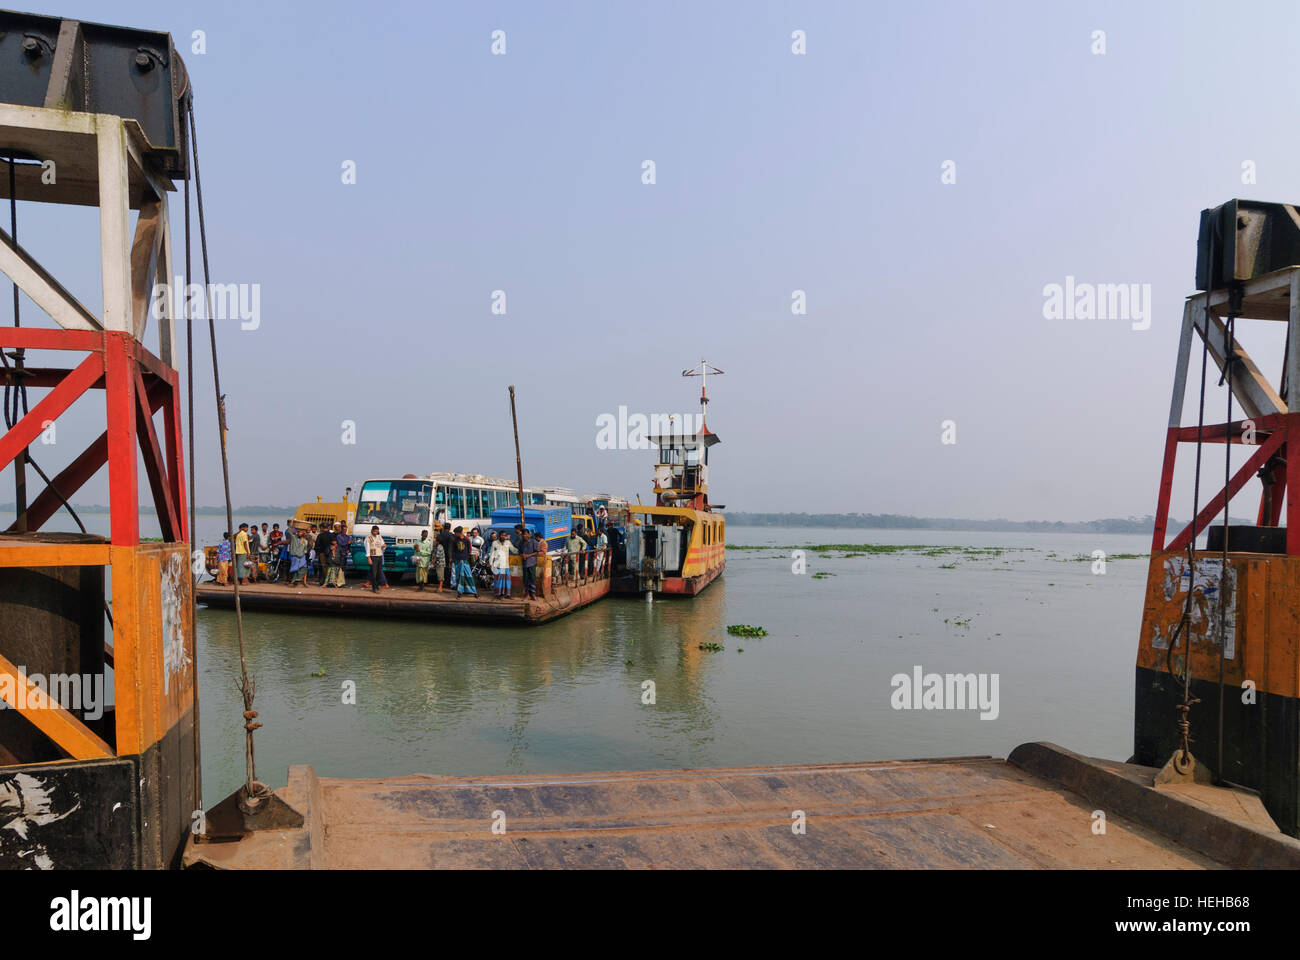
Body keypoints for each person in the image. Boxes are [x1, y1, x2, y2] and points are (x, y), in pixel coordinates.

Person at [490, 530, 518, 598]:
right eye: (502, 535)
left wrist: (522, 551)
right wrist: (491, 563)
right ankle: (498, 594)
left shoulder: (508, 542)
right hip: (498, 565)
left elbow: (514, 550)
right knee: (498, 581)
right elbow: (492, 554)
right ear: (499, 536)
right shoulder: (495, 543)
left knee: (507, 581)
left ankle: (507, 594)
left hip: (506, 565)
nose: (503, 536)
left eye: (505, 535)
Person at [452, 526, 476, 597]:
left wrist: (466, 557)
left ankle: (474, 592)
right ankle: (459, 592)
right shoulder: (455, 540)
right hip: (458, 561)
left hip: (465, 560)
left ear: (459, 533)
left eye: (455, 533)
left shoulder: (467, 540)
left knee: (469, 576)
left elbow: (469, 550)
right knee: (459, 577)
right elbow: (453, 550)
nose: (455, 534)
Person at [520, 528, 541, 600]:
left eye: (526, 534)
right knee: (525, 579)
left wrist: (528, 555)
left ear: (528, 534)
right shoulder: (521, 543)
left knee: (532, 579)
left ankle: (533, 594)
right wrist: (522, 555)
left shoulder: (534, 542)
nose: (524, 536)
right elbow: (519, 552)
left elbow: (537, 552)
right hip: (525, 563)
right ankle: (527, 595)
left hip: (532, 562)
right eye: (523, 534)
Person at [366, 525, 385, 593]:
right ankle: (374, 588)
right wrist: (369, 558)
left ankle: (377, 586)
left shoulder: (379, 537)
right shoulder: (368, 538)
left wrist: (384, 546)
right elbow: (367, 548)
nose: (375, 533)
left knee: (378, 573)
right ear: (372, 531)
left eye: (377, 531)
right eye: (374, 531)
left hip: (379, 556)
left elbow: (383, 545)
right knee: (374, 573)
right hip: (373, 557)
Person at [437, 523, 455, 589]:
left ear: (444, 528)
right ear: (450, 528)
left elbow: (437, 545)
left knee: (441, 569)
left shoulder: (439, 535)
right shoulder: (452, 535)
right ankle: (448, 583)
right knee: (449, 569)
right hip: (449, 555)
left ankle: (442, 583)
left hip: (441, 555)